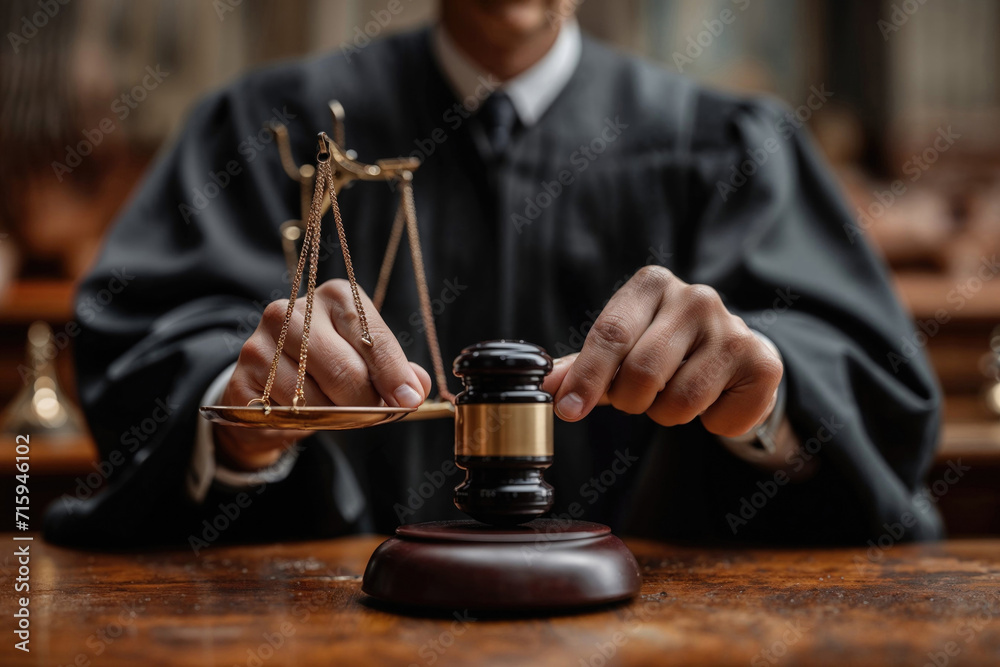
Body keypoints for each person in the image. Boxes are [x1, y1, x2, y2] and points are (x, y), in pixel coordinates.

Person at [44, 0, 942, 548]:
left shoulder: (727, 145)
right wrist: (240, 421)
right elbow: (148, 339)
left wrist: (768, 400)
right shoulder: (267, 128)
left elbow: (862, 379)